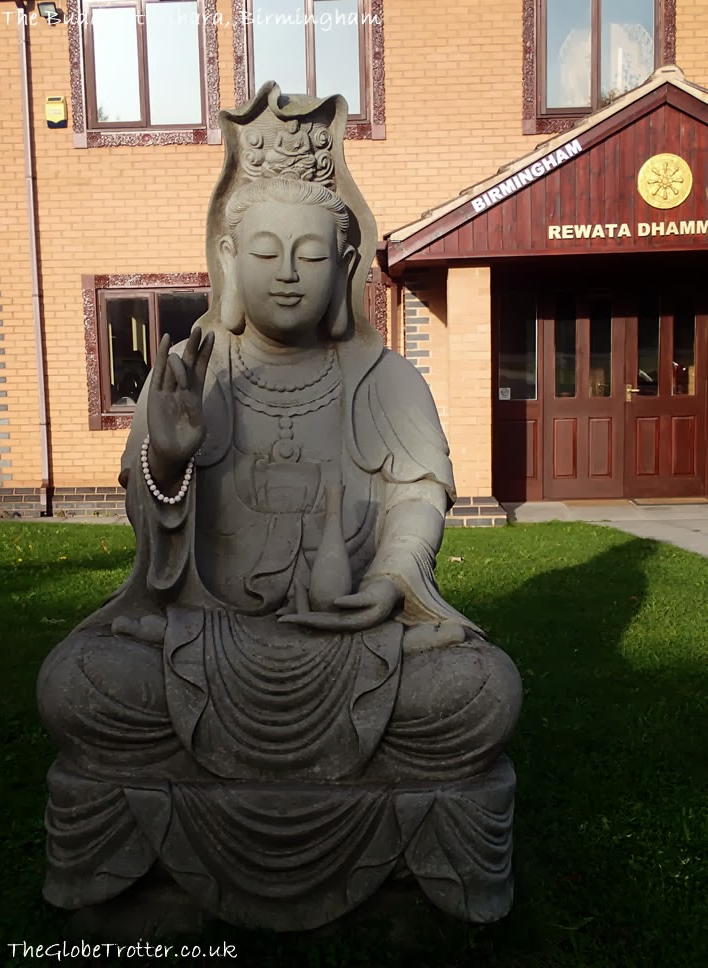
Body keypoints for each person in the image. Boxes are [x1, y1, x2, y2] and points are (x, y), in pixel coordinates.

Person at [37, 85, 522, 933]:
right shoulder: (188, 374)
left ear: (345, 265)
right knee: (75, 684)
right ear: (227, 262)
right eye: (265, 251)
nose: (289, 271)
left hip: (355, 643)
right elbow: (150, 523)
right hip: (203, 634)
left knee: (480, 691)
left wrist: (390, 583)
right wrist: (167, 456)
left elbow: (417, 495)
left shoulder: (385, 378)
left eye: (309, 253)